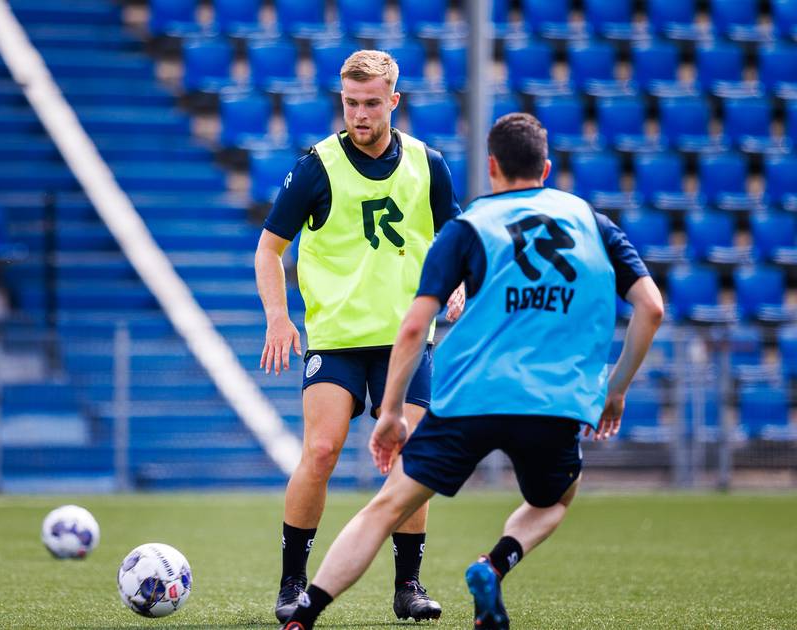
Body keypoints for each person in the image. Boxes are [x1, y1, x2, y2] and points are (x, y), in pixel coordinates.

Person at [281, 113, 664, 630]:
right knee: (554, 499)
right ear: (546, 167)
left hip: (472, 393)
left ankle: (307, 612)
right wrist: (614, 392)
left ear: (492, 167)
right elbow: (651, 309)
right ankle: (495, 563)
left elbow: (415, 325)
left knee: (387, 503)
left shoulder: (471, 225)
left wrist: (390, 412)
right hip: (552, 400)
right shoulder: (590, 220)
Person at [255, 49, 465, 623]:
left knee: (411, 458)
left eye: (371, 103)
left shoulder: (429, 164)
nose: (359, 114)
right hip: (337, 339)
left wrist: (457, 283)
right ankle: (293, 581)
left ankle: (409, 586)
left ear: (393, 101)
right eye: (350, 103)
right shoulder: (317, 166)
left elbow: (459, 236)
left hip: (405, 341)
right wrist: (279, 315)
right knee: (320, 451)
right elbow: (269, 248)